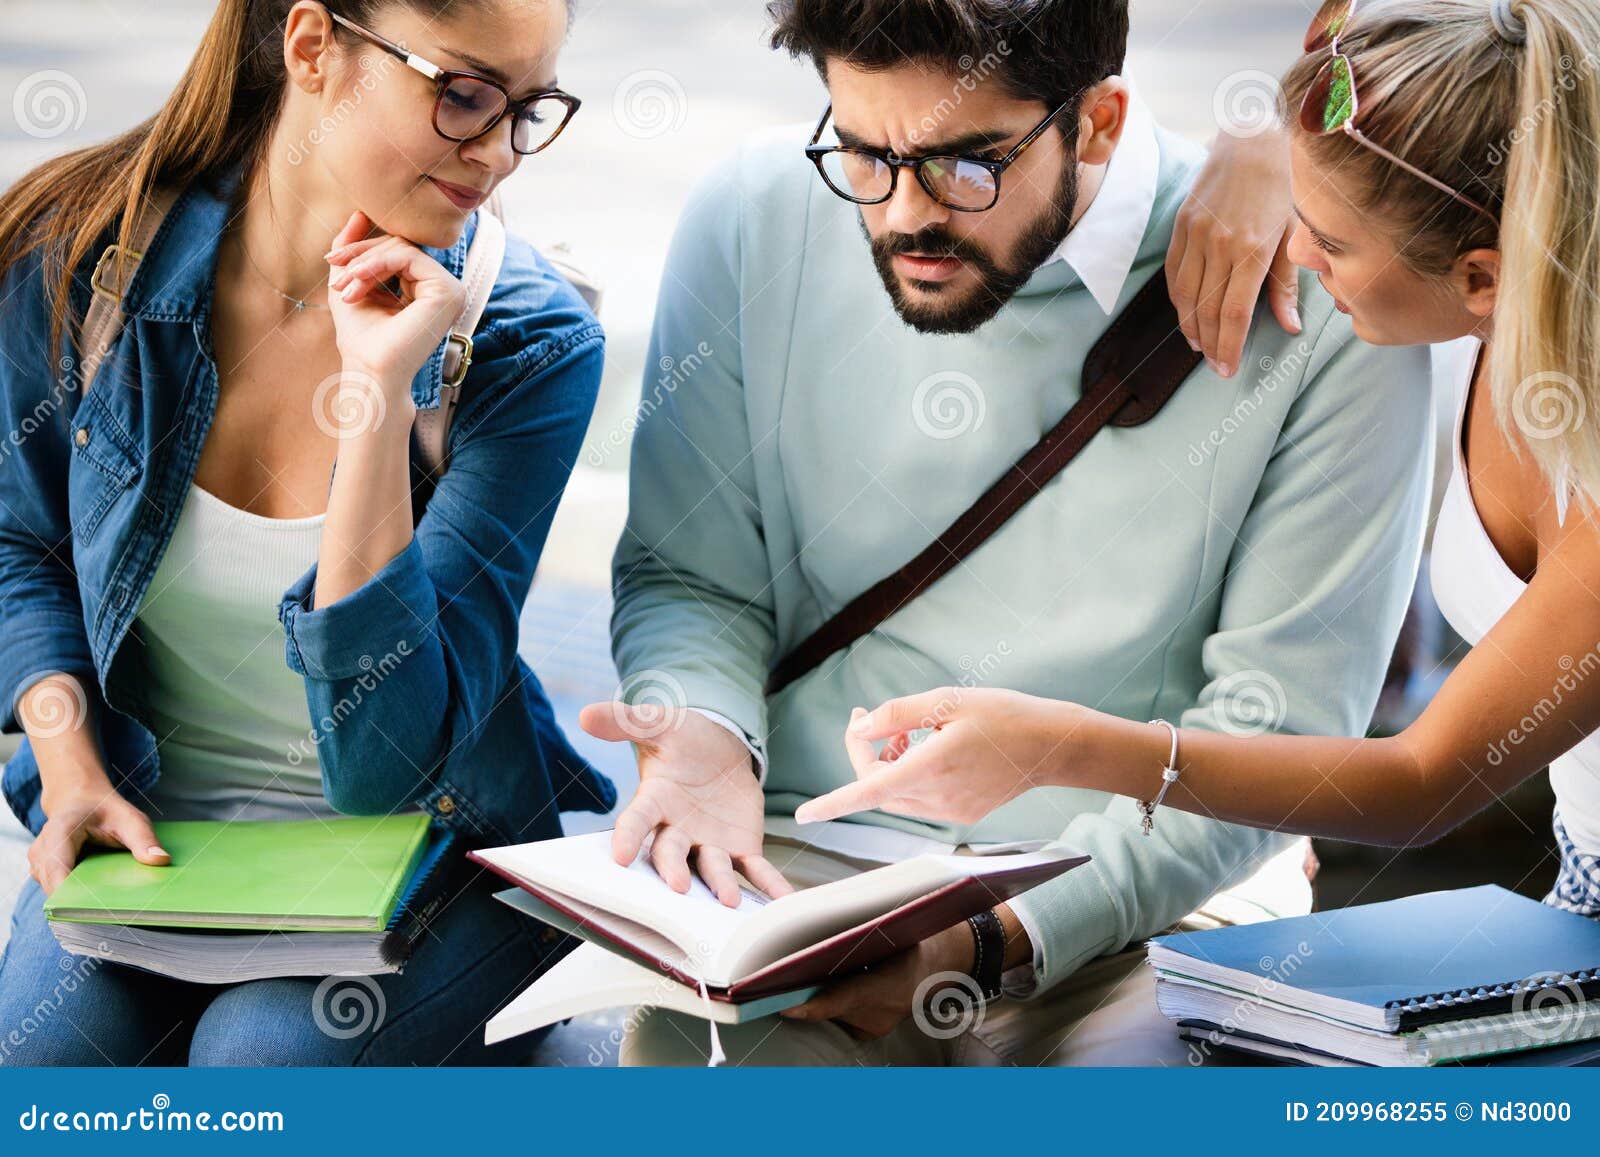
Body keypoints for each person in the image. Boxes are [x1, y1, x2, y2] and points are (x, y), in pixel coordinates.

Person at [579, 0, 1434, 1066]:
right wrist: (703, 729)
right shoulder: (753, 212)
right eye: (862, 153)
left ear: (1105, 122)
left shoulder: (1324, 306)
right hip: (805, 865)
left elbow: (1284, 736)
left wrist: (992, 940)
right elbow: (689, 576)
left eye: (965, 166)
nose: (902, 217)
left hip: (1155, 895)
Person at [802, 0, 1600, 923]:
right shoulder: (1504, 298)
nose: (1289, 250)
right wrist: (1261, 137)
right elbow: (1491, 62)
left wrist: (1066, 747)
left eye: (1328, 243)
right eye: (1298, 211)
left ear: (1482, 275)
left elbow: (1419, 784)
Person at [0, 0, 612, 1066]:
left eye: (530, 108)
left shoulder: (527, 340)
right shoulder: (80, 255)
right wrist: (66, 761)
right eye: (464, 94)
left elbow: (389, 766)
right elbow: (14, 541)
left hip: (437, 850)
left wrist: (376, 396)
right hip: (161, 836)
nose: (500, 152)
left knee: (265, 1058)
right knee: (42, 1054)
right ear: (313, 47)